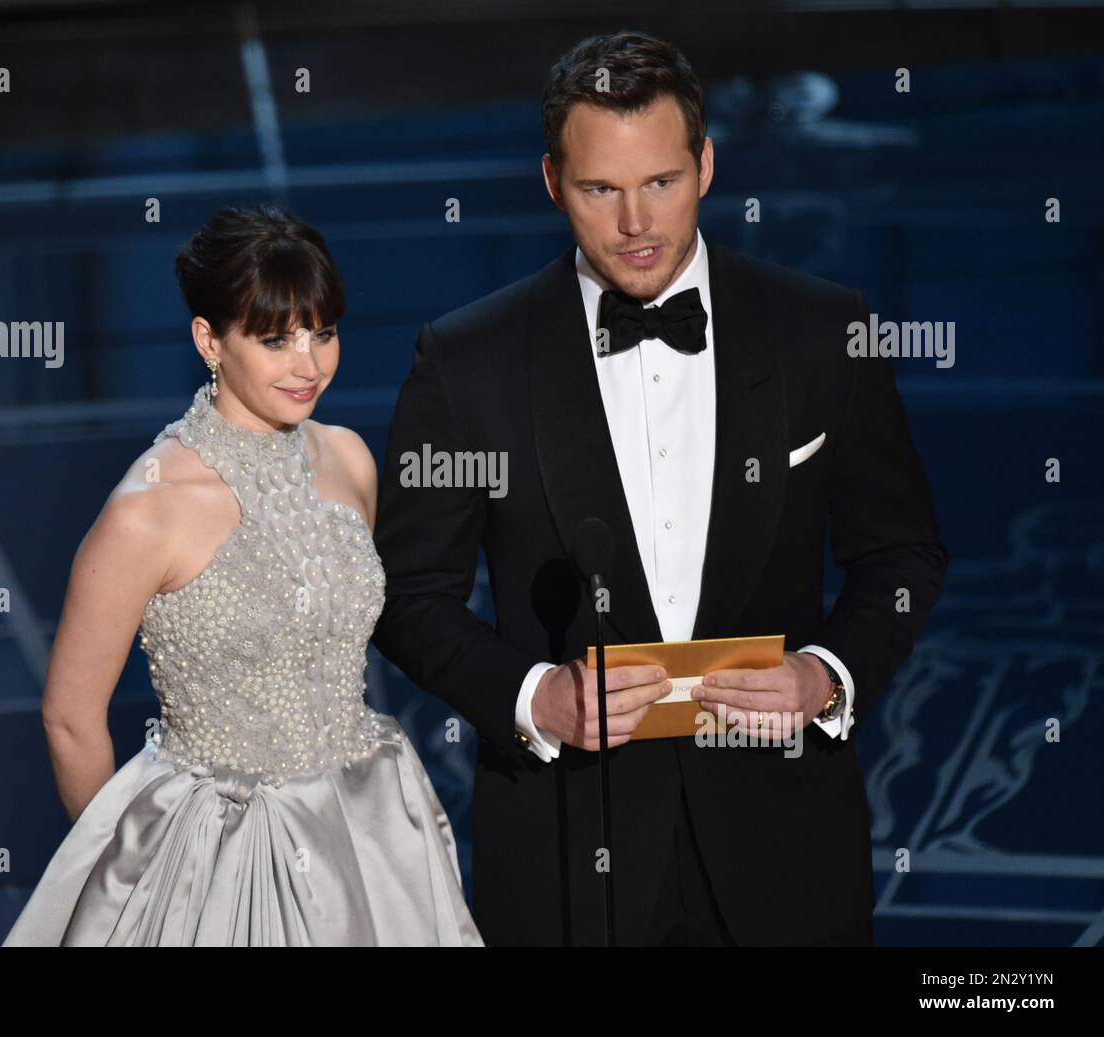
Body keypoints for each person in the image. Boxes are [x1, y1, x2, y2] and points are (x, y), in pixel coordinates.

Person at [370, 31, 947, 946]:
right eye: (603, 189)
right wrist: (533, 697)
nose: (637, 222)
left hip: (787, 849)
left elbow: (902, 554)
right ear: (553, 182)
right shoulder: (467, 361)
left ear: (707, 166)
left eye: (662, 183)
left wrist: (824, 676)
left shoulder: (822, 331)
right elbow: (406, 594)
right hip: (566, 852)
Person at [4, 205, 482, 946]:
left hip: (371, 823)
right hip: (218, 857)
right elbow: (69, 718)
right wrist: (140, 874)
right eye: (275, 338)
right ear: (209, 340)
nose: (309, 363)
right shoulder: (147, 508)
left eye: (323, 332)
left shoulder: (350, 460)